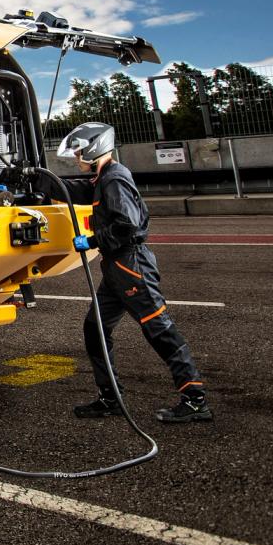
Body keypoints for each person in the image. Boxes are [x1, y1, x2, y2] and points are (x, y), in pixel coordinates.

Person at [36, 122, 211, 423]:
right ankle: (110, 397)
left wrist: (90, 240)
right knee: (95, 329)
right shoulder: (104, 178)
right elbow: (78, 189)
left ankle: (195, 400)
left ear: (93, 148)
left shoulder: (114, 179)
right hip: (116, 269)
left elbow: (126, 226)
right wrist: (41, 181)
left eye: (79, 151)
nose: (77, 156)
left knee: (160, 330)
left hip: (131, 265)